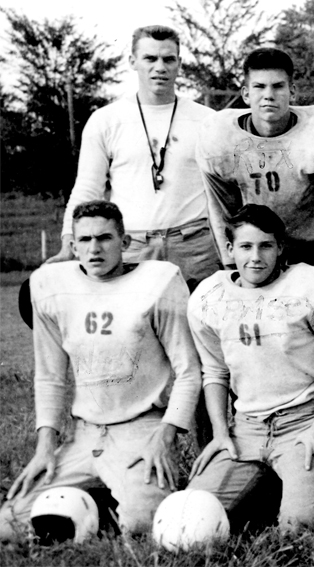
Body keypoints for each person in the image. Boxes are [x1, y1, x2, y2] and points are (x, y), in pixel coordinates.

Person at [1, 201, 201, 541]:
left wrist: (165, 436)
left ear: (124, 243)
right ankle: (96, 495)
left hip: (141, 428)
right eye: (85, 240)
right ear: (73, 245)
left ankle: (111, 495)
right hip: (86, 434)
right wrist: (45, 446)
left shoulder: (159, 281)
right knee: (9, 525)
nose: (95, 249)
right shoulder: (52, 286)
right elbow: (49, 375)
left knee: (142, 526)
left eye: (105, 238)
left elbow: (189, 370)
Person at [185, 205, 314, 530]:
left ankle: (281, 489)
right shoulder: (210, 295)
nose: (256, 257)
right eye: (245, 246)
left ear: (280, 247)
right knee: (189, 521)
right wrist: (220, 433)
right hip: (246, 428)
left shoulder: (312, 285)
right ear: (229, 249)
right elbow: (215, 372)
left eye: (265, 246)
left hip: (303, 422)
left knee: (300, 524)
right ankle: (261, 486)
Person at [47, 26, 218, 288]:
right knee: (134, 327)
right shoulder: (106, 120)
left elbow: (222, 190)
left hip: (195, 247)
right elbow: (87, 189)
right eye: (150, 58)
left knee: (196, 326)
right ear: (133, 61)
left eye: (168, 59)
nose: (159, 67)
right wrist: (68, 243)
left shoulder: (206, 119)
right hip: (131, 247)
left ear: (179, 64)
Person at [197, 47, 314, 281]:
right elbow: (221, 209)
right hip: (255, 252)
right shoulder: (219, 135)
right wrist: (229, 263)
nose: (269, 95)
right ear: (246, 94)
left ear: (292, 91)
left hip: (310, 251)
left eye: (278, 86)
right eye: (259, 87)